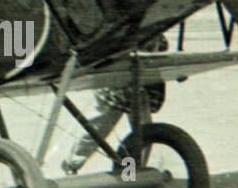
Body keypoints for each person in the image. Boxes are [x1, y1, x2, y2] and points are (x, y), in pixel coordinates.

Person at [61, 34, 168, 175]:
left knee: (144, 129)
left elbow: (161, 46)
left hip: (137, 83)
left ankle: (136, 169)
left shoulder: (152, 33)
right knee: (102, 124)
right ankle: (72, 163)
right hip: (114, 80)